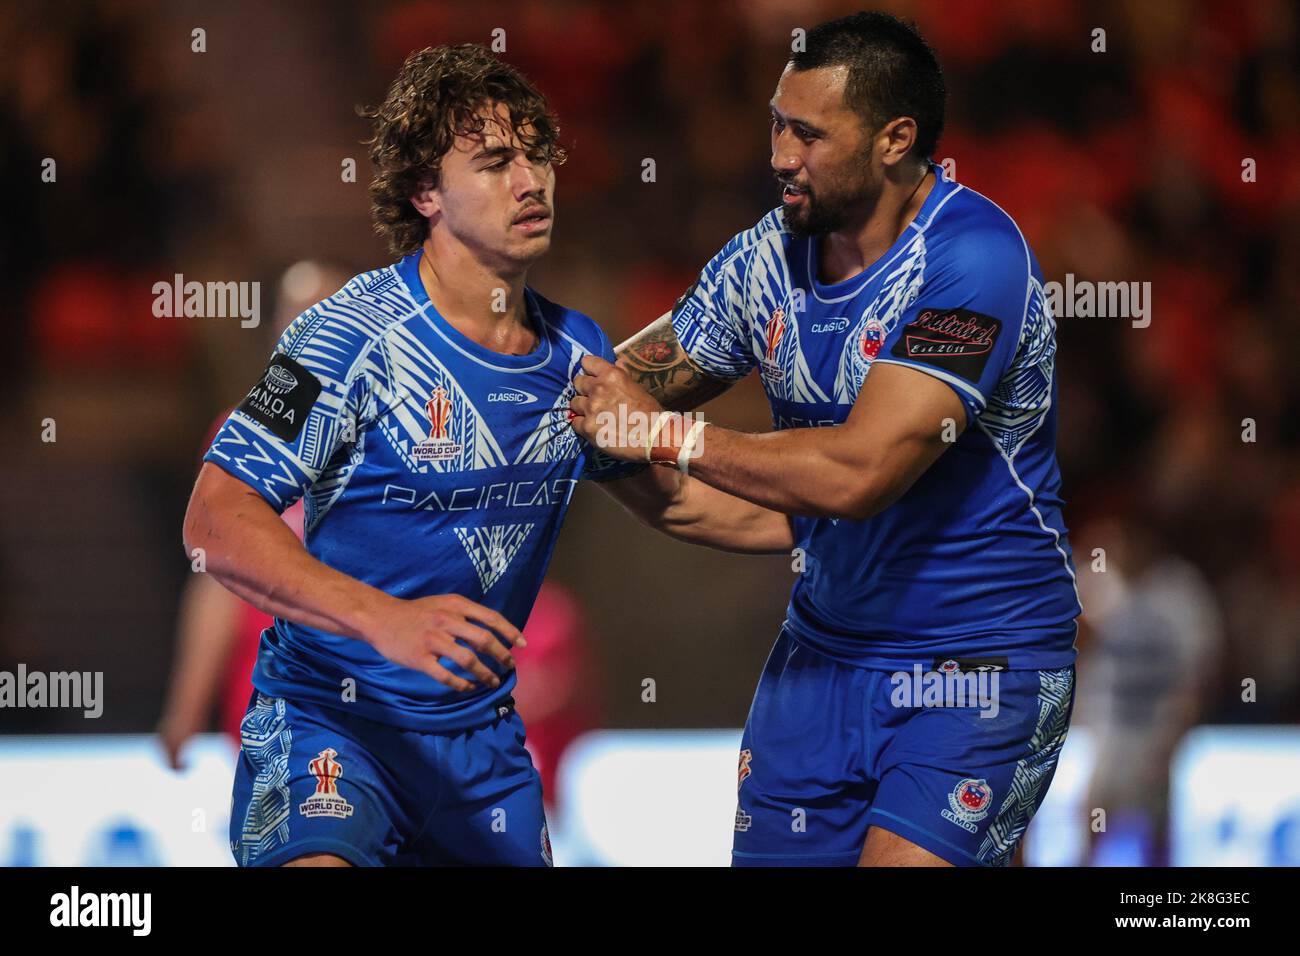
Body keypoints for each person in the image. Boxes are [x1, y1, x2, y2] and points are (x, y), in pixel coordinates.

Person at [570, 12, 1082, 867]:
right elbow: (612, 397)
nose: (778, 155)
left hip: (974, 668)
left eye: (807, 133)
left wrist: (654, 430)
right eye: (777, 122)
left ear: (895, 139)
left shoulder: (973, 260)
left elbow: (857, 474)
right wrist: (557, 405)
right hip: (821, 661)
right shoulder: (762, 261)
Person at [182, 44, 704, 866]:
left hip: (481, 751)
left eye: (540, 157)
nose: (532, 181)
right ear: (426, 192)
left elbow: (680, 502)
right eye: (496, 162)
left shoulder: (579, 352)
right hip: (332, 722)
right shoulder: (345, 336)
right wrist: (385, 620)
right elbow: (214, 518)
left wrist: (831, 518)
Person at [159, 262, 347, 770]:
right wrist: (187, 703)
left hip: (361, 693)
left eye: (328, 320)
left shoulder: (387, 439)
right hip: (263, 695)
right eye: (298, 320)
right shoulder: (240, 435)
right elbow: (215, 577)